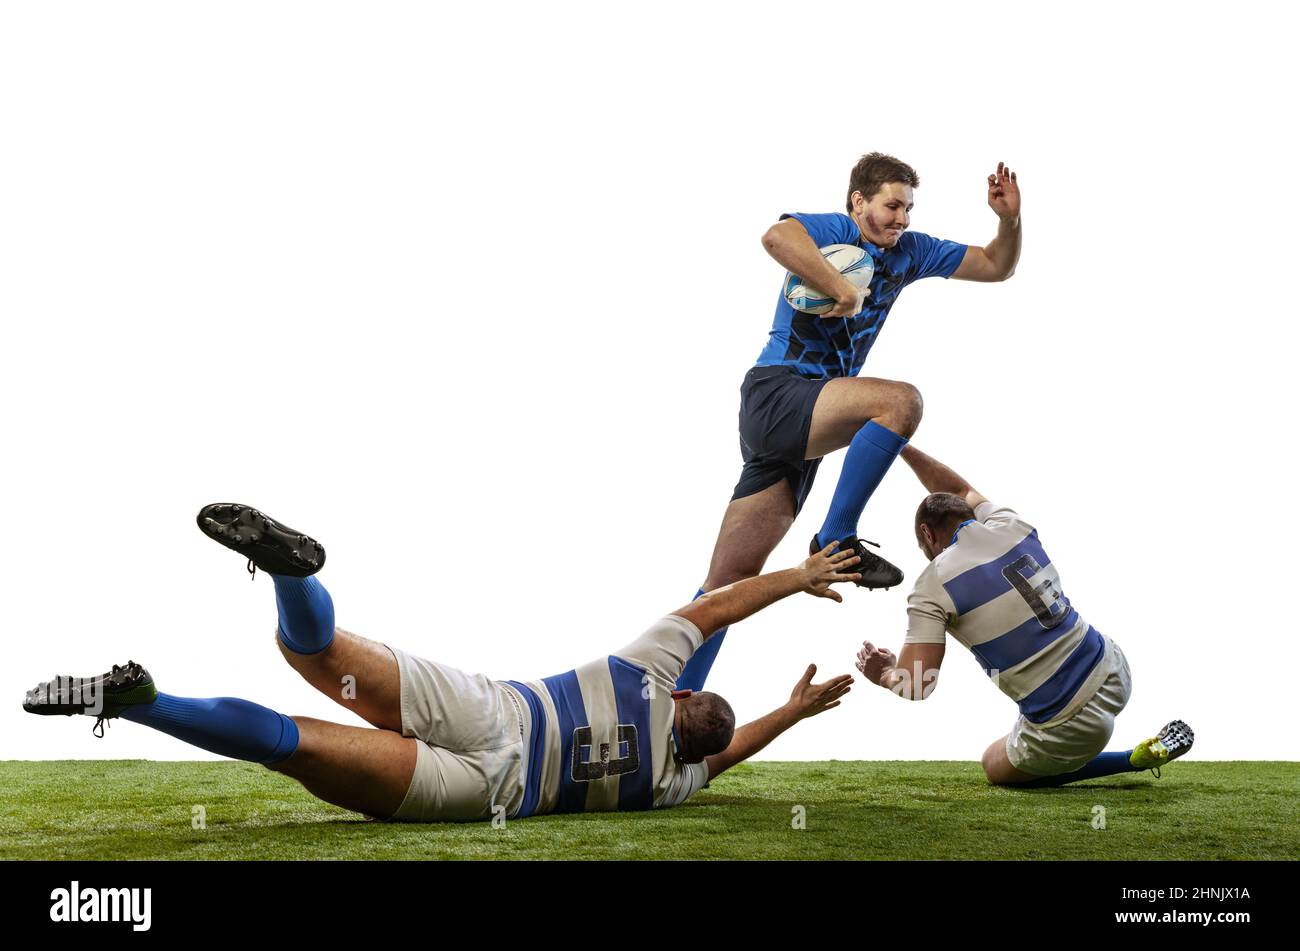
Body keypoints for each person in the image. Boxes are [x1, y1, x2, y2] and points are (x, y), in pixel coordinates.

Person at [23, 504, 859, 821]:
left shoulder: (643, 675)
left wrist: (800, 576)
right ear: (696, 753)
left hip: (494, 710)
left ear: (681, 692)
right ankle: (140, 701)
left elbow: (716, 606)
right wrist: (791, 713)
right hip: (488, 793)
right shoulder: (675, 782)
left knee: (315, 654)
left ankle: (291, 576)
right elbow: (732, 748)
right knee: (291, 741)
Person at [679, 152, 1022, 692]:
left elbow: (996, 266)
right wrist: (840, 288)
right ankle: (837, 537)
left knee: (726, 585)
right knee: (901, 402)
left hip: (805, 431)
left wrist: (1008, 221)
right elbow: (775, 238)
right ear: (859, 202)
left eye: (908, 208)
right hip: (780, 392)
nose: (901, 218)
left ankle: (675, 707)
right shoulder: (838, 230)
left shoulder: (911, 252)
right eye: (891, 205)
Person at [854, 445, 1194, 786]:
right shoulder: (1011, 523)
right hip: (1113, 667)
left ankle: (1134, 759)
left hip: (1069, 720)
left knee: (994, 765)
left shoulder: (931, 585)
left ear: (928, 535)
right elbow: (959, 490)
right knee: (1033, 718)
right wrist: (897, 444)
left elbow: (916, 685)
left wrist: (884, 673)